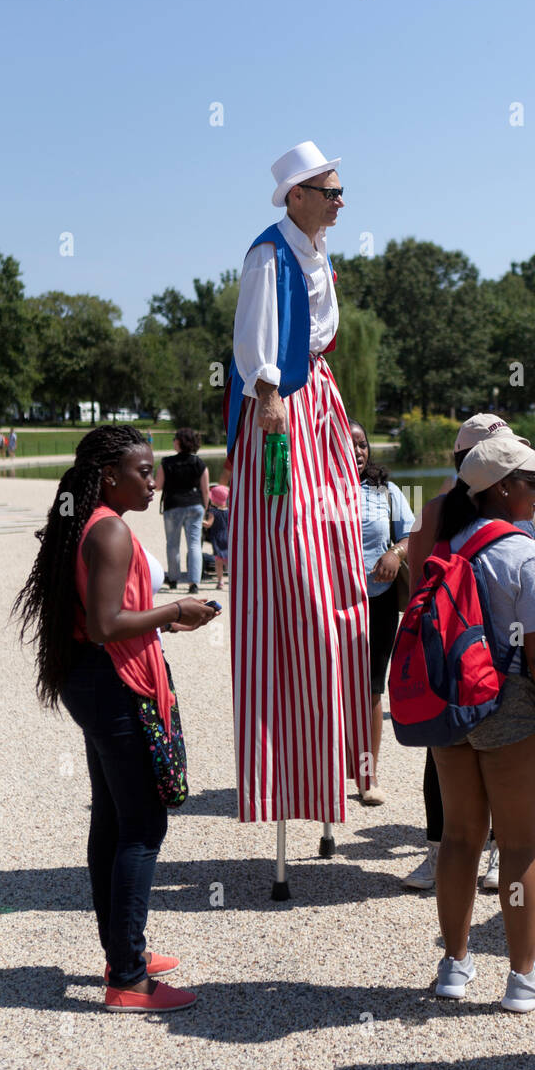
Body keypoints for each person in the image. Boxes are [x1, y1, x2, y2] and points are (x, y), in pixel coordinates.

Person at [13, 425, 219, 1013]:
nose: (153, 481)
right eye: (143, 471)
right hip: (114, 683)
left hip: (95, 679)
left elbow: (108, 615)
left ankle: (121, 951)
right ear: (109, 476)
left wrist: (159, 620)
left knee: (112, 818)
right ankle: (128, 977)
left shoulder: (89, 521)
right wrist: (177, 605)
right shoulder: (109, 530)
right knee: (142, 827)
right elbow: (106, 624)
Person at [225, 141, 372, 822]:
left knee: (336, 560)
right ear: (298, 196)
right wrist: (272, 402)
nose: (342, 201)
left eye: (340, 191)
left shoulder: (313, 250)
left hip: (317, 399)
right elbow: (256, 342)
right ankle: (285, 762)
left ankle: (337, 751)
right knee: (292, 565)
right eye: (332, 191)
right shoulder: (269, 253)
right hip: (282, 408)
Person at [430, 435, 535, 1010]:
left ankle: (453, 968)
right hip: (508, 704)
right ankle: (522, 977)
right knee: (518, 843)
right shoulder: (524, 552)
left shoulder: (449, 541)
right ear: (503, 488)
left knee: (459, 837)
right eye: (532, 480)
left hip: (450, 705)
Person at [403, 415, 535, 890]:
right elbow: (422, 596)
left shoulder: (532, 518)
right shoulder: (435, 513)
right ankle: (441, 851)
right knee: (469, 793)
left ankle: (461, 870)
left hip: (458, 676)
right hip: (491, 678)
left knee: (461, 804)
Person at [350, 420, 415, 807]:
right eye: (348, 444)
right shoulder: (317, 492)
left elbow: (411, 534)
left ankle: (367, 775)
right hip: (332, 601)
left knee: (372, 686)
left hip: (379, 599)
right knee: (331, 684)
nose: (358, 452)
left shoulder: (386, 492)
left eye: (362, 445)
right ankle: (325, 770)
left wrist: (395, 554)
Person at [155, 428, 209, 594]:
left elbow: (157, 486)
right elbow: (205, 490)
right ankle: (194, 582)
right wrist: (205, 510)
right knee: (194, 544)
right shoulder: (199, 463)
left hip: (173, 505)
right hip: (195, 505)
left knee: (172, 544)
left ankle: (173, 578)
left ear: (179, 442)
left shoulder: (166, 463)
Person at [203, 475, 230, 589]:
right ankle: (233, 579)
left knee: (219, 561)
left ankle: (220, 582)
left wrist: (200, 521)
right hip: (228, 537)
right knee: (229, 561)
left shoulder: (213, 511)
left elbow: (209, 524)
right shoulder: (229, 511)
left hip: (218, 538)